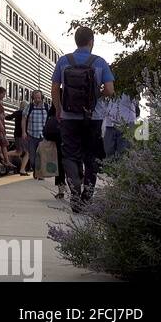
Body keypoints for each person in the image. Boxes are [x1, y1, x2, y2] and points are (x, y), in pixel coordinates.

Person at [51, 26, 114, 211]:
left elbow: (55, 88)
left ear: (76, 41)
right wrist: (96, 95)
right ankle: (87, 197)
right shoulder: (100, 62)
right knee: (91, 156)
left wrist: (58, 109)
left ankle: (75, 192)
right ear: (91, 41)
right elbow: (110, 90)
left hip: (69, 117)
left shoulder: (64, 61)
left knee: (70, 155)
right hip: (93, 117)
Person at [97, 92, 137, 158]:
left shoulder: (130, 88)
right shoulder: (109, 85)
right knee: (109, 151)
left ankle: (123, 167)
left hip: (126, 122)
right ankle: (111, 167)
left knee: (124, 152)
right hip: (110, 124)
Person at [24, 90, 48, 179]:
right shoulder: (29, 107)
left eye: (39, 97)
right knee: (33, 158)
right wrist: (24, 132)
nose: (37, 99)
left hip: (43, 136)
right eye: (35, 98)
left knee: (42, 156)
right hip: (32, 135)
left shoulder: (46, 107)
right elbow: (24, 118)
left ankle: (40, 174)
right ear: (32, 98)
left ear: (42, 98)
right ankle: (35, 170)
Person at [0, 87, 14, 171]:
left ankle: (0, 157)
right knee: (3, 143)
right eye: (3, 94)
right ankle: (6, 160)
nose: (4, 96)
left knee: (0, 144)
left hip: (1, 123)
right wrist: (0, 124)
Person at [7, 101, 29, 175]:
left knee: (18, 152)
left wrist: (3, 115)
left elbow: (8, 118)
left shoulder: (17, 113)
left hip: (16, 134)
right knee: (27, 153)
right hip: (22, 135)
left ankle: (5, 154)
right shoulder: (25, 114)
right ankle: (22, 170)